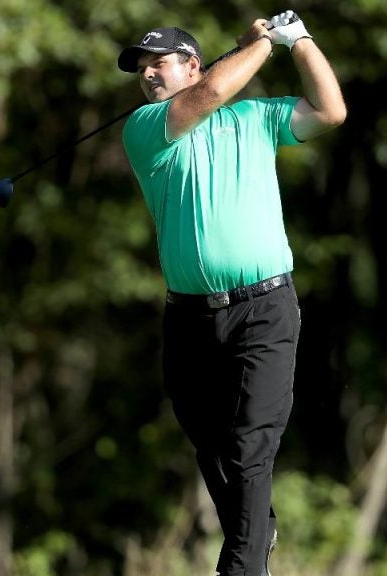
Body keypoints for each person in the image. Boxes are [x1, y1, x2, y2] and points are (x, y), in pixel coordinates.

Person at [117, 11, 346, 576]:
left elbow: (330, 110)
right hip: (190, 319)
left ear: (190, 63)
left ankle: (242, 566)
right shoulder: (146, 127)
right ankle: (257, 533)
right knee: (211, 445)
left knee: (251, 442)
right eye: (141, 69)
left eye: (158, 63)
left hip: (265, 307)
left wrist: (301, 43)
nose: (147, 76)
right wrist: (261, 44)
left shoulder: (257, 117)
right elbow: (212, 91)